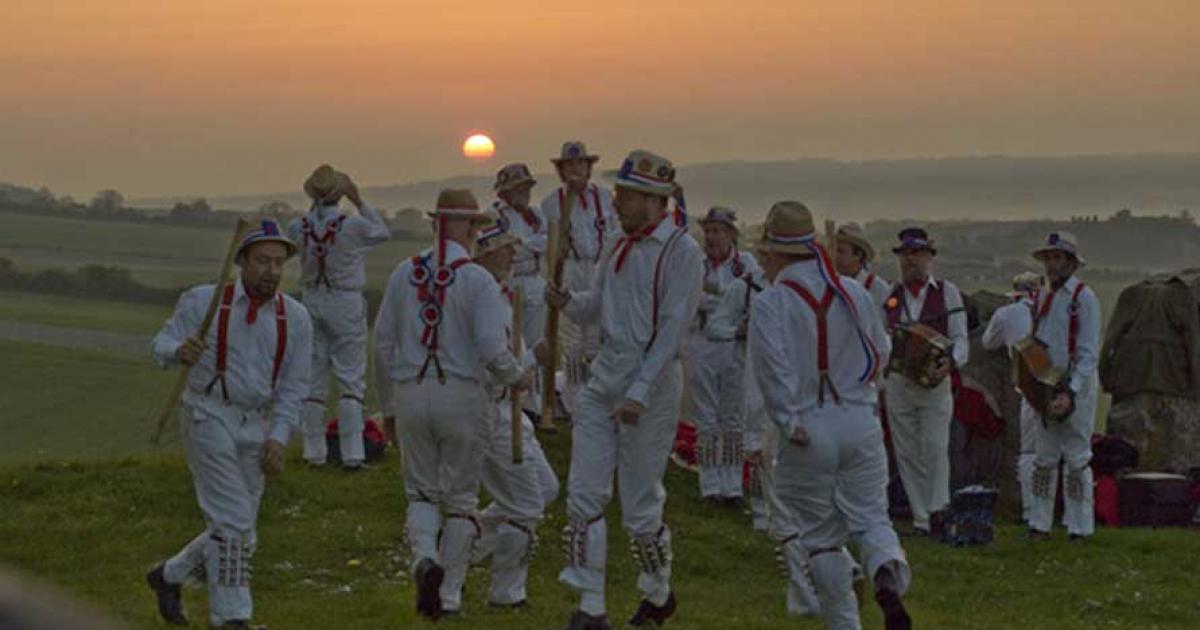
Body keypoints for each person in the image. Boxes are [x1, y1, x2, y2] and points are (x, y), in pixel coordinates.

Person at [543, 150, 702, 629]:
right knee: (584, 491)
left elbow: (672, 329)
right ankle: (591, 607)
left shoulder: (682, 252)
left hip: (651, 383)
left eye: (627, 195)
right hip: (604, 374)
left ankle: (658, 592)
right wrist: (566, 301)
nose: (616, 201)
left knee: (639, 503)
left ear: (654, 201)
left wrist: (640, 391)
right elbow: (597, 304)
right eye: (618, 193)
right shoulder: (616, 243)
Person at [749, 201, 911, 630]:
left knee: (820, 539)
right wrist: (862, 395)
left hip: (809, 425)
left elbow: (772, 371)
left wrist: (788, 421)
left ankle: (845, 623)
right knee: (872, 517)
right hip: (858, 419)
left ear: (776, 253)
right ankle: (885, 572)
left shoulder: (772, 302)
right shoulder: (852, 292)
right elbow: (881, 352)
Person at [372, 189, 531, 619]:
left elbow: (383, 345)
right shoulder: (478, 280)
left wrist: (389, 407)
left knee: (421, 492)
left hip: (411, 392)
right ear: (470, 229)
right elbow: (491, 348)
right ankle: (448, 596)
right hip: (462, 395)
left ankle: (425, 557)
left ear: (434, 225)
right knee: (460, 500)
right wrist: (517, 377)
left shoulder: (403, 272)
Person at [146, 220, 313, 629]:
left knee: (241, 532)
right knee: (233, 520)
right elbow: (159, 345)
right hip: (208, 413)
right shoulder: (203, 302)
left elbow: (295, 387)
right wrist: (179, 351)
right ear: (242, 261)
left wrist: (278, 438)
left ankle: (169, 575)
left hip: (257, 422)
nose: (272, 271)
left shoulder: (296, 318)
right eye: (263, 261)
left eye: (279, 263)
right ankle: (232, 618)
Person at [470, 212, 560, 607]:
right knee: (526, 505)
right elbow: (492, 363)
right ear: (485, 253)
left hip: (513, 411)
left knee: (547, 489)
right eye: (505, 249)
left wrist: (532, 359)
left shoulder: (501, 294)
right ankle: (506, 592)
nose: (512, 255)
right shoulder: (478, 297)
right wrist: (530, 362)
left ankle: (466, 539)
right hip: (491, 412)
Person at [288, 165, 389, 470]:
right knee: (350, 379)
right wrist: (359, 201)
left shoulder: (297, 227)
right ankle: (353, 454)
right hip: (344, 300)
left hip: (311, 298)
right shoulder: (353, 226)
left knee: (314, 376)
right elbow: (382, 231)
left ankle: (314, 452)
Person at [881, 227, 969, 535]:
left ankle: (938, 510)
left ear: (929, 257)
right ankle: (921, 518)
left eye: (916, 254)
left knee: (934, 447)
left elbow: (960, 338)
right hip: (899, 382)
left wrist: (949, 363)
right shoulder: (890, 295)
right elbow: (881, 336)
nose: (910, 260)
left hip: (935, 382)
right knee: (906, 451)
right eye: (905, 254)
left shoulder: (947, 292)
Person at [1024, 232, 1101, 542]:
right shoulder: (1042, 296)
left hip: (1075, 385)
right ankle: (1039, 523)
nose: (1052, 264)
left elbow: (1088, 353)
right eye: (1048, 258)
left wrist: (1071, 392)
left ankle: (1079, 527)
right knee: (1044, 457)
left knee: (1077, 458)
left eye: (1057, 258)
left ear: (1071, 262)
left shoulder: (1084, 297)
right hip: (1046, 384)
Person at [686, 207, 761, 505]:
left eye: (717, 231)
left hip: (733, 343)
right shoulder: (695, 264)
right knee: (705, 417)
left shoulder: (746, 264)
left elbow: (751, 298)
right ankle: (709, 483)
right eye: (708, 231)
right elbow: (691, 299)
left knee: (732, 417)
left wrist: (717, 293)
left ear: (731, 234)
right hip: (701, 340)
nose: (712, 237)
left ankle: (732, 485)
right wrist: (725, 298)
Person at [540, 141, 620, 419]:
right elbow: (545, 240)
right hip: (570, 269)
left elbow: (616, 234)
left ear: (589, 168)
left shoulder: (606, 198)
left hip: (598, 267)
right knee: (573, 343)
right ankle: (575, 404)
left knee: (597, 339)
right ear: (561, 171)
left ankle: (599, 397)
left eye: (580, 164)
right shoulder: (551, 203)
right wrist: (555, 251)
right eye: (569, 165)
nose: (575, 170)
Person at [981, 271, 1042, 524]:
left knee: (1029, 451)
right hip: (1061, 381)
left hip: (1028, 383)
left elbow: (988, 343)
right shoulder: (1053, 310)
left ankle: (1031, 511)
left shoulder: (1006, 313)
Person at [835, 222, 891, 307]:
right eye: (834, 251)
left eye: (840, 251)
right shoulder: (832, 285)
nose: (835, 256)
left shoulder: (878, 288)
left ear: (858, 255)